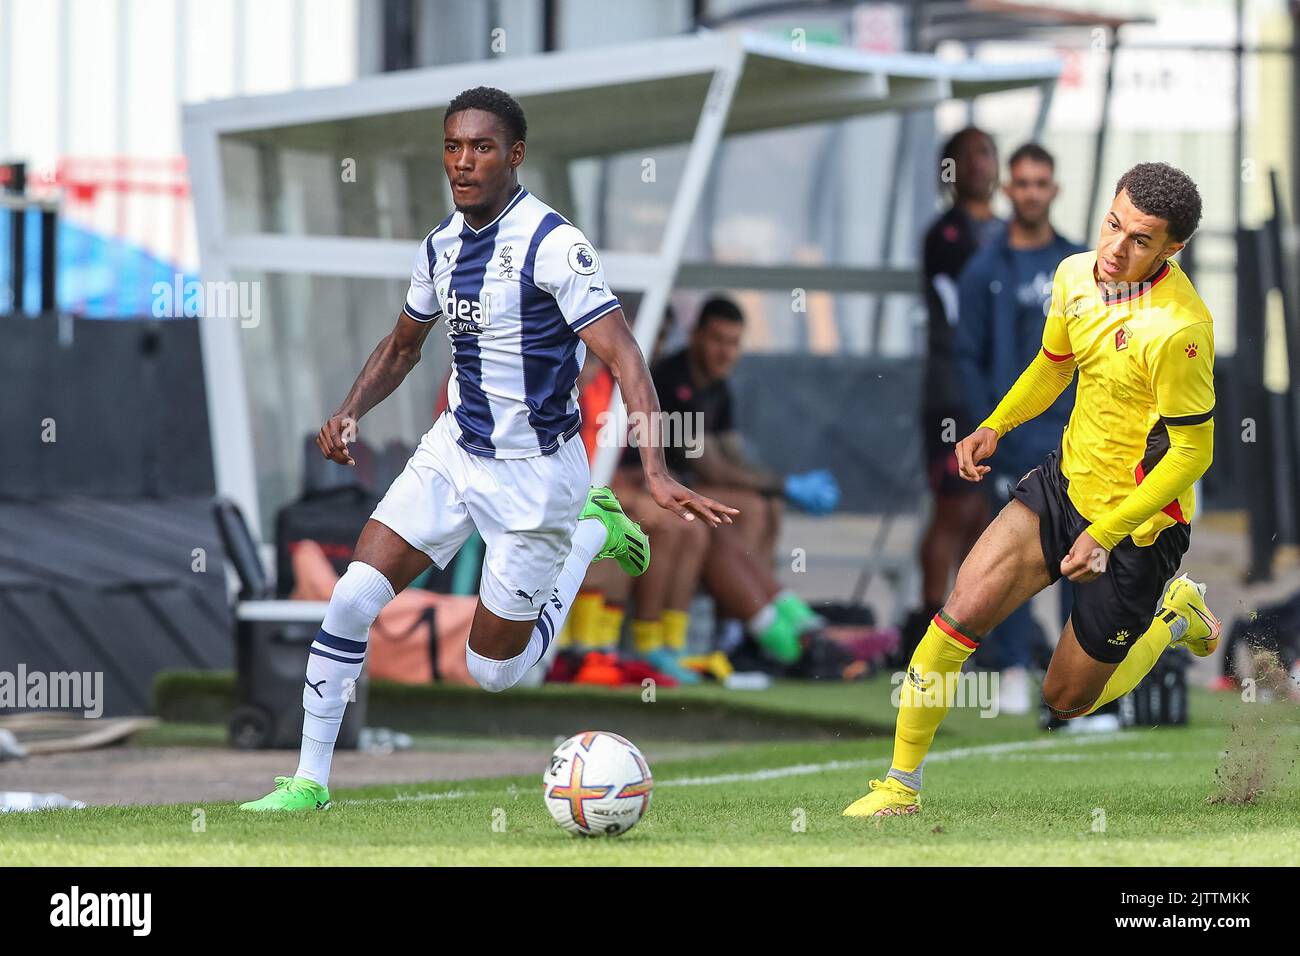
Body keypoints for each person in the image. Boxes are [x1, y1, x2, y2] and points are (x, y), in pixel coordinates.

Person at [241, 87, 735, 812]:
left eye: (480, 147)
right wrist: (348, 411)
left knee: (495, 673)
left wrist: (655, 470)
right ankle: (309, 783)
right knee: (351, 596)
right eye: (452, 146)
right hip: (454, 452)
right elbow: (403, 346)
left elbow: (627, 358)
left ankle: (590, 530)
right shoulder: (441, 244)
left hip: (537, 477)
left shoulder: (553, 244)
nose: (463, 162)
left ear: (515, 154)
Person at [845, 162, 1222, 817]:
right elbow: (1053, 367)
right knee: (960, 609)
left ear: (1172, 250)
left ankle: (1175, 616)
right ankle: (898, 788)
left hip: (1141, 526)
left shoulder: (1179, 331)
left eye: (1139, 240)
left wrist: (1106, 534)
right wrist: (994, 424)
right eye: (1113, 224)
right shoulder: (1075, 274)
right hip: (1063, 483)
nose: (1115, 247)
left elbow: (1194, 452)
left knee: (1065, 700)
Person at [953, 142, 1086, 713]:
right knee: (1010, 563)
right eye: (1022, 183)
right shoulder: (984, 269)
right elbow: (967, 357)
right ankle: (1009, 668)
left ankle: (1074, 681)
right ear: (1008, 190)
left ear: (1054, 190)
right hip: (1011, 445)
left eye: (1041, 183)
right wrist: (989, 428)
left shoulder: (1080, 266)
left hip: (1076, 443)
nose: (1031, 192)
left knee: (1081, 560)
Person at [649, 295, 839, 663]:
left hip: (685, 488)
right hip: (665, 492)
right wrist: (785, 484)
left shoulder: (718, 387)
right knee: (746, 507)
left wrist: (779, 487)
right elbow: (708, 467)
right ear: (695, 336)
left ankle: (759, 615)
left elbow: (733, 456)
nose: (726, 352)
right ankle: (745, 625)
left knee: (766, 505)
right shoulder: (673, 380)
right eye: (718, 341)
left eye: (734, 343)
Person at [914, 127, 1006, 639]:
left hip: (1003, 392)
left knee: (987, 513)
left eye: (986, 153)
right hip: (953, 391)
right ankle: (925, 624)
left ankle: (968, 624)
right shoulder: (945, 235)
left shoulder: (1014, 232)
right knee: (954, 505)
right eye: (965, 156)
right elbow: (966, 313)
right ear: (948, 170)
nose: (978, 164)